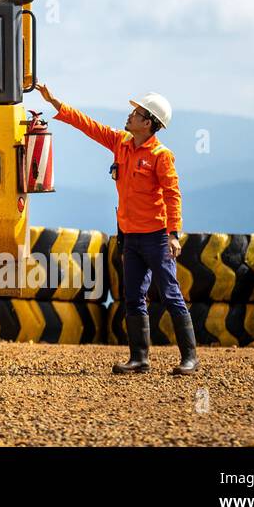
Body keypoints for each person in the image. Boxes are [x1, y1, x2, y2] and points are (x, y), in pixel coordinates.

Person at [35, 83, 199, 377]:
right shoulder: (121, 142)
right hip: (130, 237)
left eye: (135, 113)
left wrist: (174, 234)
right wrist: (56, 103)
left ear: (147, 122)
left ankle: (190, 358)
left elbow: (173, 194)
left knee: (170, 294)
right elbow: (90, 126)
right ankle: (139, 358)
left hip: (157, 238)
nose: (129, 116)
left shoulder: (161, 156)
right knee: (134, 297)